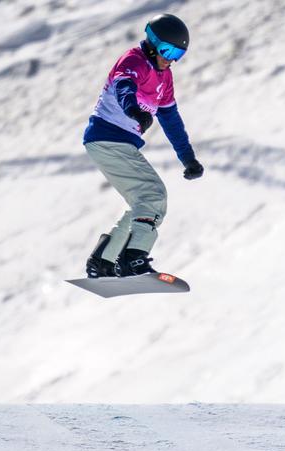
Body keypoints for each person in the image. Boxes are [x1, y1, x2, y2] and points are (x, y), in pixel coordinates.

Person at [82, 14, 204, 278]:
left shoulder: (165, 78)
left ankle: (105, 260)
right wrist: (134, 111)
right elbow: (124, 87)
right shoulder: (134, 60)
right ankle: (132, 259)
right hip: (107, 138)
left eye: (178, 55)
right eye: (167, 51)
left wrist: (188, 157)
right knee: (152, 194)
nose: (170, 59)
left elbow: (171, 120)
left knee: (149, 204)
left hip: (119, 143)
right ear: (152, 42)